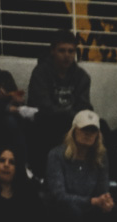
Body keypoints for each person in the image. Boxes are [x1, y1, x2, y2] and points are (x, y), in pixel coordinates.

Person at [44, 112, 117, 222]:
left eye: (93, 130)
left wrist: (106, 202)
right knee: (73, 212)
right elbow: (59, 195)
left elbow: (103, 191)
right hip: (62, 209)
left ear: (98, 135)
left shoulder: (101, 156)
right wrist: (92, 201)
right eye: (84, 129)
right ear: (74, 131)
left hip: (91, 208)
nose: (88, 133)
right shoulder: (56, 155)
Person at [26, 31, 92, 159]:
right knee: (53, 123)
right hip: (47, 121)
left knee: (101, 126)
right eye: (62, 51)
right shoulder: (41, 72)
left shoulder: (82, 76)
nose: (67, 56)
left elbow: (84, 106)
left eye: (71, 51)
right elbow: (43, 106)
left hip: (73, 122)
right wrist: (69, 114)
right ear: (52, 51)